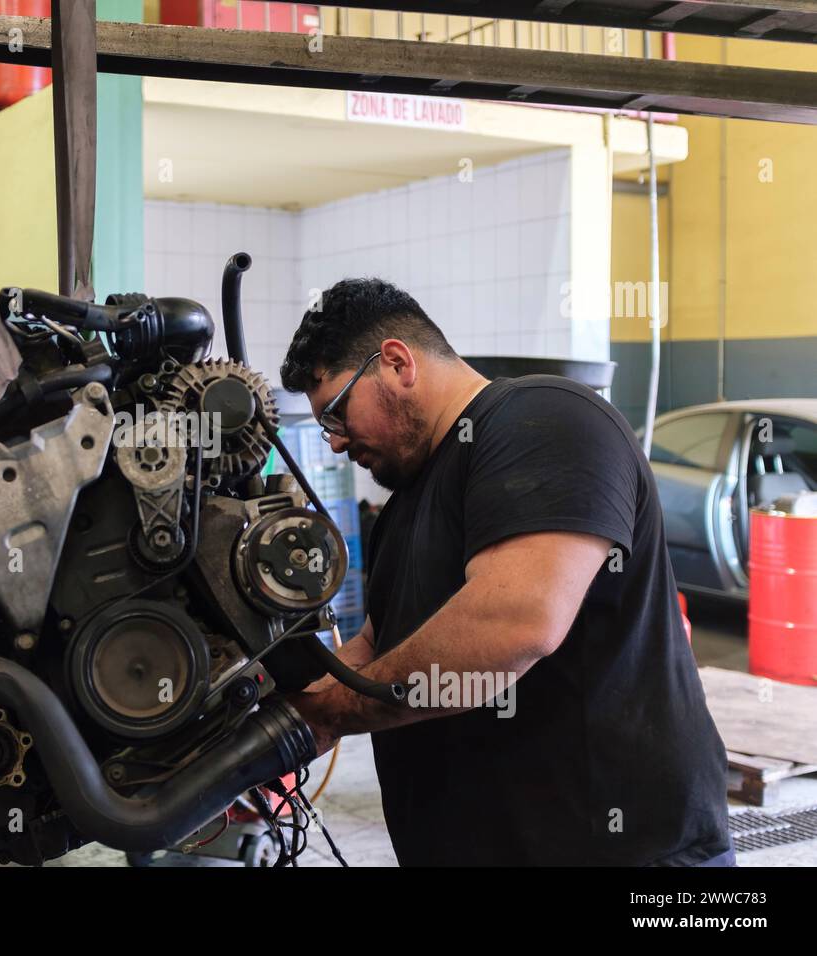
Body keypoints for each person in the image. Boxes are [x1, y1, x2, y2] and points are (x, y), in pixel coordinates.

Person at [278, 277, 733, 866]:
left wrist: (333, 710)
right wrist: (281, 722)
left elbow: (513, 624)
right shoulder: (405, 505)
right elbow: (377, 643)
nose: (336, 444)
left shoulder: (543, 421)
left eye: (337, 413)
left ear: (395, 363)